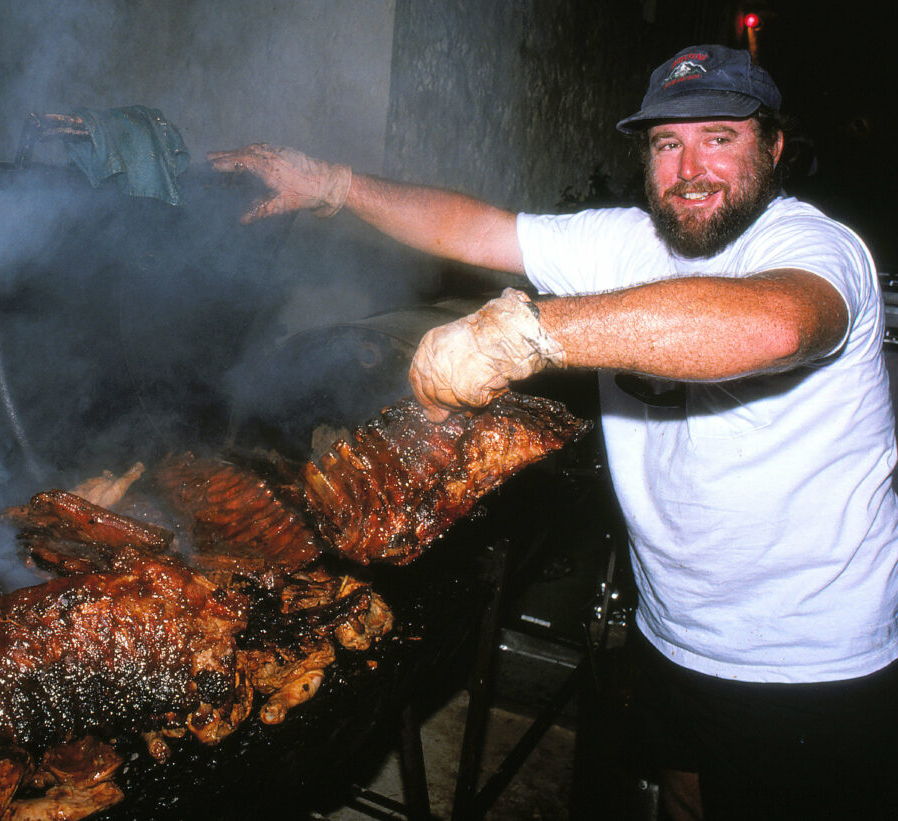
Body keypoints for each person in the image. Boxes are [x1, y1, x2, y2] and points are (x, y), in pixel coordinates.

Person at [209, 44, 898, 820]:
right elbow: (479, 230)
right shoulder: (627, 242)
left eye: (720, 137)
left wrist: (524, 334)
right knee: (683, 794)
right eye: (667, 144)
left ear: (773, 148)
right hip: (674, 629)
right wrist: (333, 183)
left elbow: (775, 323)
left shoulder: (815, 248)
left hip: (810, 657)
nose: (690, 166)